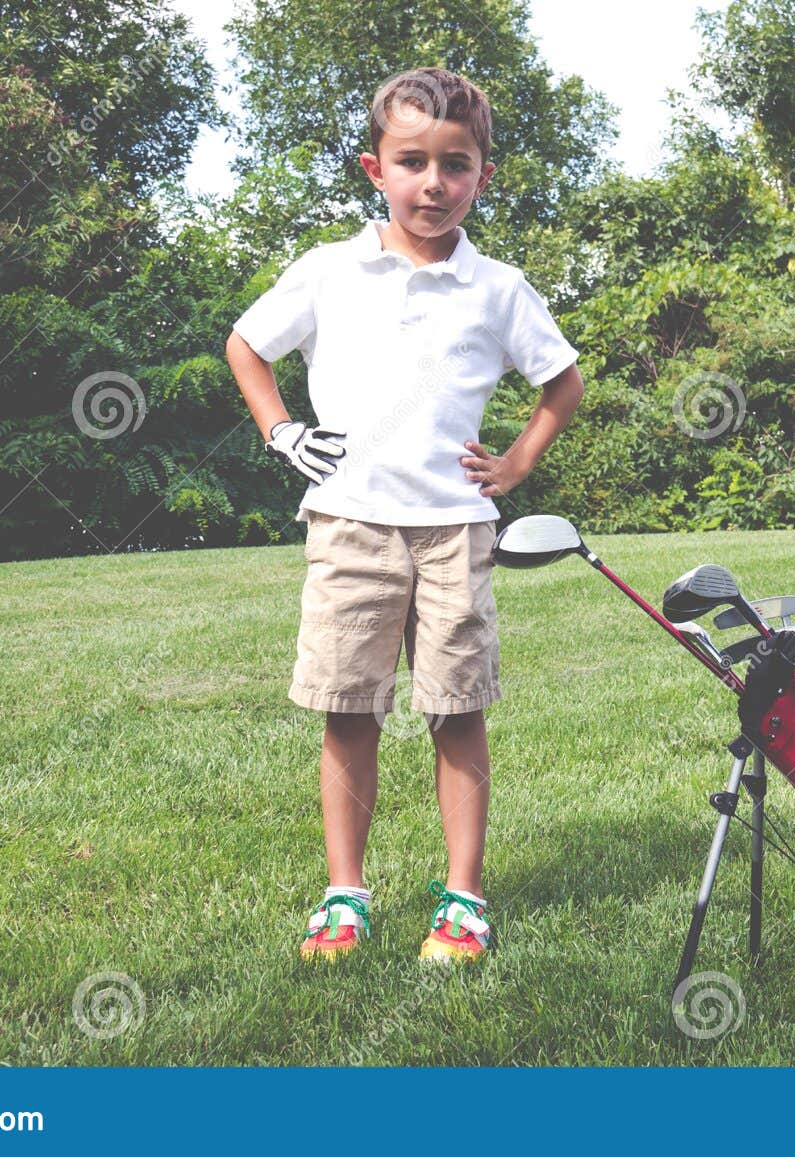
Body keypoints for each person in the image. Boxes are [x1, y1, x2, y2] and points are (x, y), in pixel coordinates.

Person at [225, 67, 585, 963]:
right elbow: (246, 345)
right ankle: (344, 896)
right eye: (413, 162)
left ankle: (463, 900)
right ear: (374, 168)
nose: (434, 183)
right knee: (349, 711)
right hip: (348, 521)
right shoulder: (330, 271)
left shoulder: (497, 288)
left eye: (455, 164)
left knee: (456, 711)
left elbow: (562, 381)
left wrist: (514, 463)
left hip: (457, 529)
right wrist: (281, 432)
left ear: (482, 176)